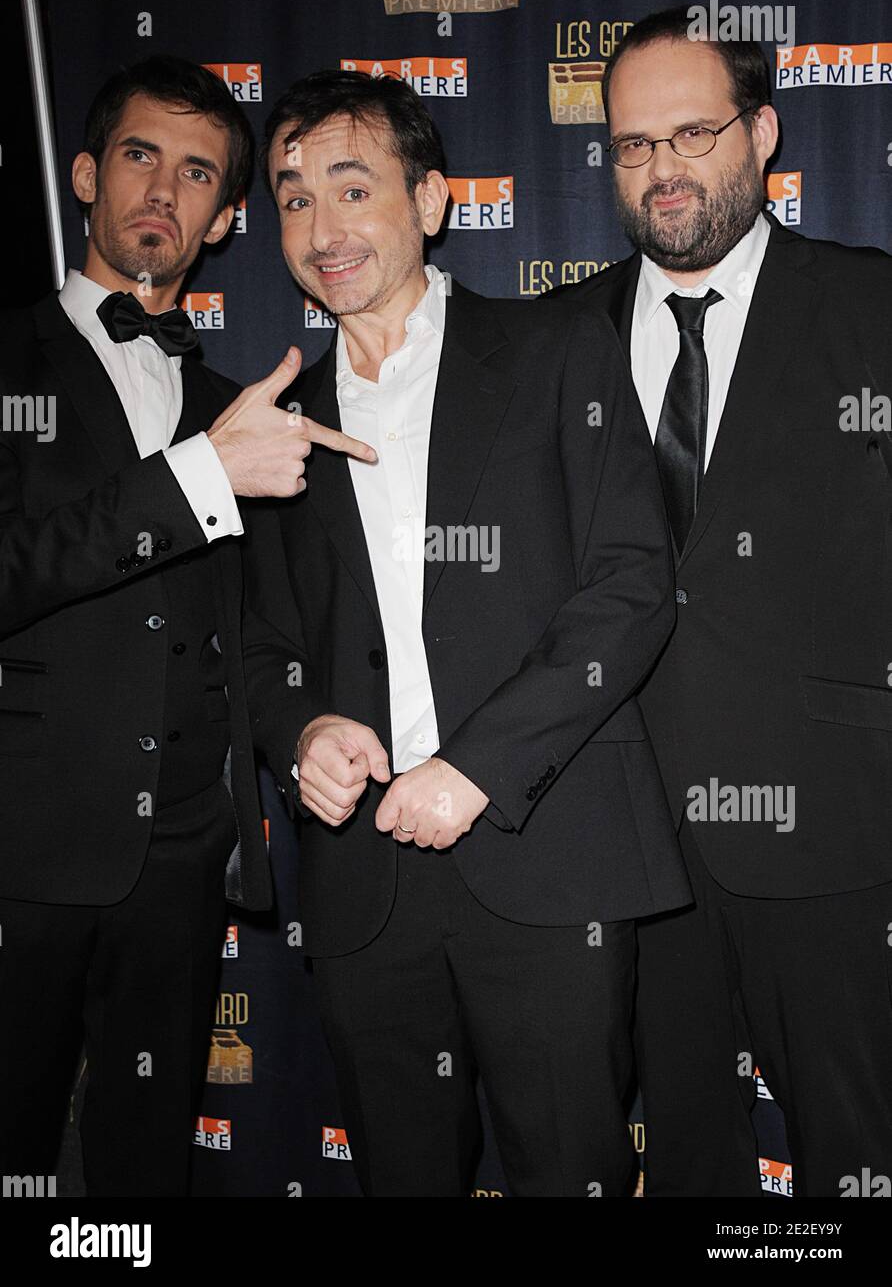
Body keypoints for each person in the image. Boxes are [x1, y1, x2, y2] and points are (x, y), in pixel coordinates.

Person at [241, 68, 691, 1197]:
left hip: (546, 856)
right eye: (292, 197)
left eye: (352, 188)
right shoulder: (269, 422)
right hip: (361, 884)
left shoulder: (554, 352)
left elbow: (629, 586)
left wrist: (475, 769)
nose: (320, 227)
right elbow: (253, 642)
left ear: (432, 202)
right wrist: (304, 733)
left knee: (569, 1167)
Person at [0, 55, 372, 1196]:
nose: (164, 191)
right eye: (139, 156)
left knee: (142, 1164)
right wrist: (196, 478)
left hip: (185, 858)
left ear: (222, 220)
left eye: (198, 172)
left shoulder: (234, 410)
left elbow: (251, 632)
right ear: (83, 174)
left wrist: (304, 729)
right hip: (24, 851)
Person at [542, 6, 892, 1197]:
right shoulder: (549, 341)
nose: (662, 169)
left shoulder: (874, 312)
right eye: (634, 145)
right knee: (686, 1161)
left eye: (691, 133)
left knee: (861, 1156)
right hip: (620, 834)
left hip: (839, 829)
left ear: (763, 134)